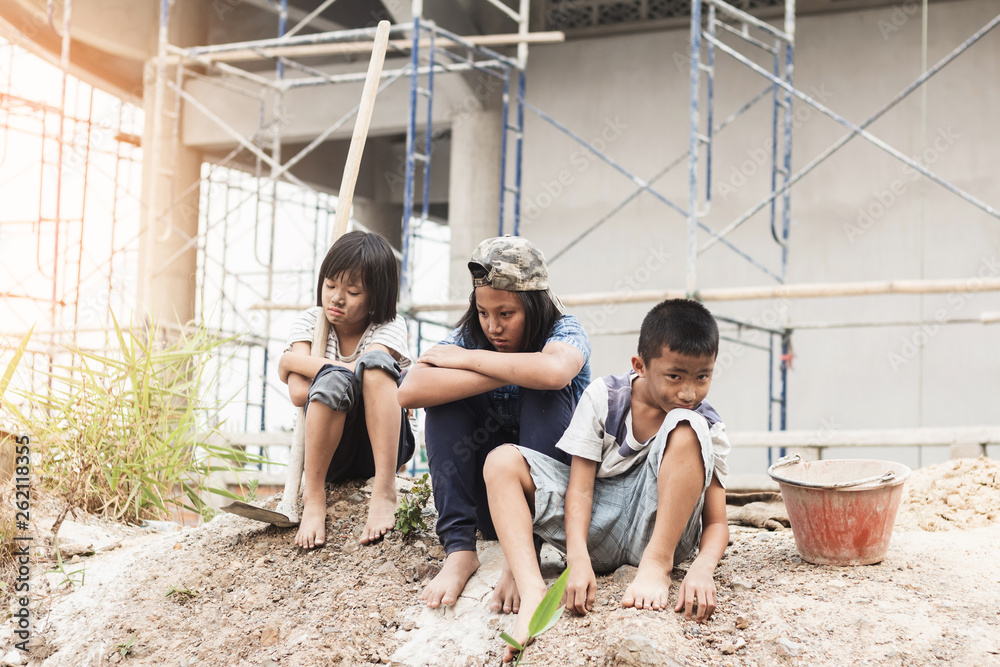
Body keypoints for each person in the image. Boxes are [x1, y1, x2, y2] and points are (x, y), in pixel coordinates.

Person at [483, 298, 731, 661]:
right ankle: (533, 589)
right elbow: (580, 490)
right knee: (501, 460)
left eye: (702, 377)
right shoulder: (606, 397)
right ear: (640, 366)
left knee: (689, 424)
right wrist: (578, 559)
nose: (689, 392)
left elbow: (718, 522)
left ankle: (654, 566)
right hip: (598, 527)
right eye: (675, 376)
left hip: (661, 533)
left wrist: (701, 569)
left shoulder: (704, 421)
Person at [397, 235, 591, 610]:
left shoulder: (564, 331)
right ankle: (459, 549)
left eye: (506, 314)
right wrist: (515, 369)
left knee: (543, 392)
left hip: (554, 504)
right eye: (484, 313)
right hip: (490, 500)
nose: (493, 327)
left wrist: (466, 361)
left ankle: (525, 556)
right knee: (444, 402)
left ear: (534, 306)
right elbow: (410, 391)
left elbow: (552, 372)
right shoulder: (470, 335)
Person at [278, 231, 414, 549]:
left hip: (383, 448)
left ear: (376, 296)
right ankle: (313, 498)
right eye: (330, 286)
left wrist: (291, 361)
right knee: (334, 383)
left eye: (352, 291)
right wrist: (327, 372)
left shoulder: (389, 326)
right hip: (331, 451)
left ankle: (384, 491)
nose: (337, 298)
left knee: (375, 366)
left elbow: (370, 371)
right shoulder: (310, 324)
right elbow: (299, 393)